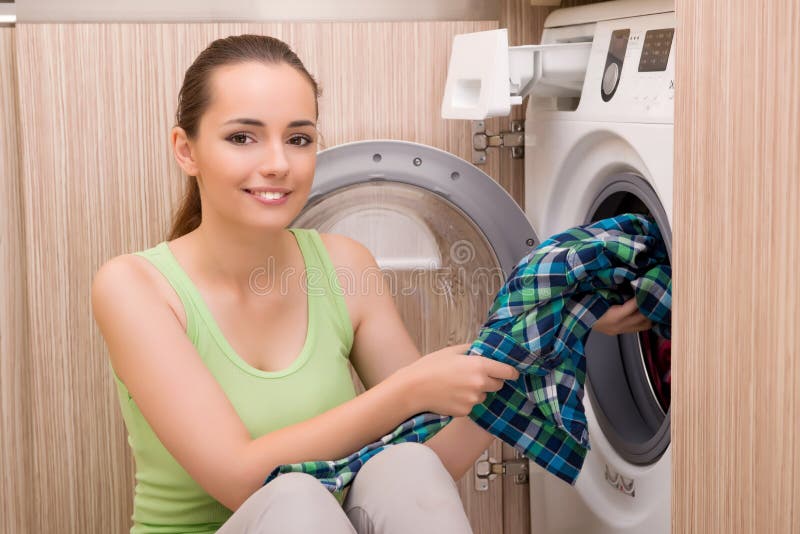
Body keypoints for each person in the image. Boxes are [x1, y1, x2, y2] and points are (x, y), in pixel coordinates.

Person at [91, 34, 652, 534]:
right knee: (294, 498)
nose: (278, 164)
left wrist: (546, 331)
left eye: (299, 138)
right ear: (186, 150)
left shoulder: (345, 267)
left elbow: (430, 459)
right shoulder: (136, 287)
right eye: (243, 138)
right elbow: (241, 479)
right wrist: (407, 391)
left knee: (404, 465)